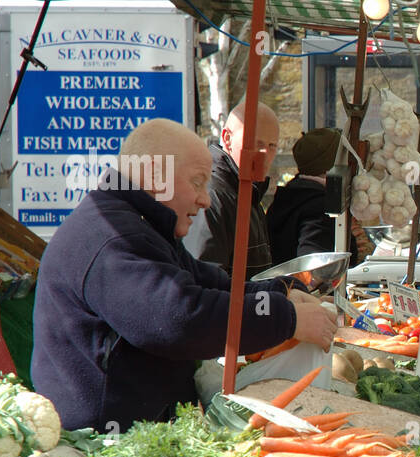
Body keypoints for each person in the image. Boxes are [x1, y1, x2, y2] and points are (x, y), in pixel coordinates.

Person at [31, 119, 338, 433]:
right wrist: (285, 317)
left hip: (143, 432)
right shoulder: (112, 238)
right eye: (197, 182)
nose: (204, 199)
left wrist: (280, 291)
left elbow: (203, 281)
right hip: (103, 444)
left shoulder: (137, 225)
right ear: (155, 174)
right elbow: (178, 318)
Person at [184, 100, 282, 278]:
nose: (265, 154)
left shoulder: (249, 190)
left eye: (271, 146)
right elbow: (207, 284)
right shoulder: (212, 196)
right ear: (227, 139)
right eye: (257, 144)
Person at [266, 127, 340, 266]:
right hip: (297, 286)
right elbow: (314, 264)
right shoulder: (318, 206)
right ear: (330, 166)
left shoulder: (291, 194)